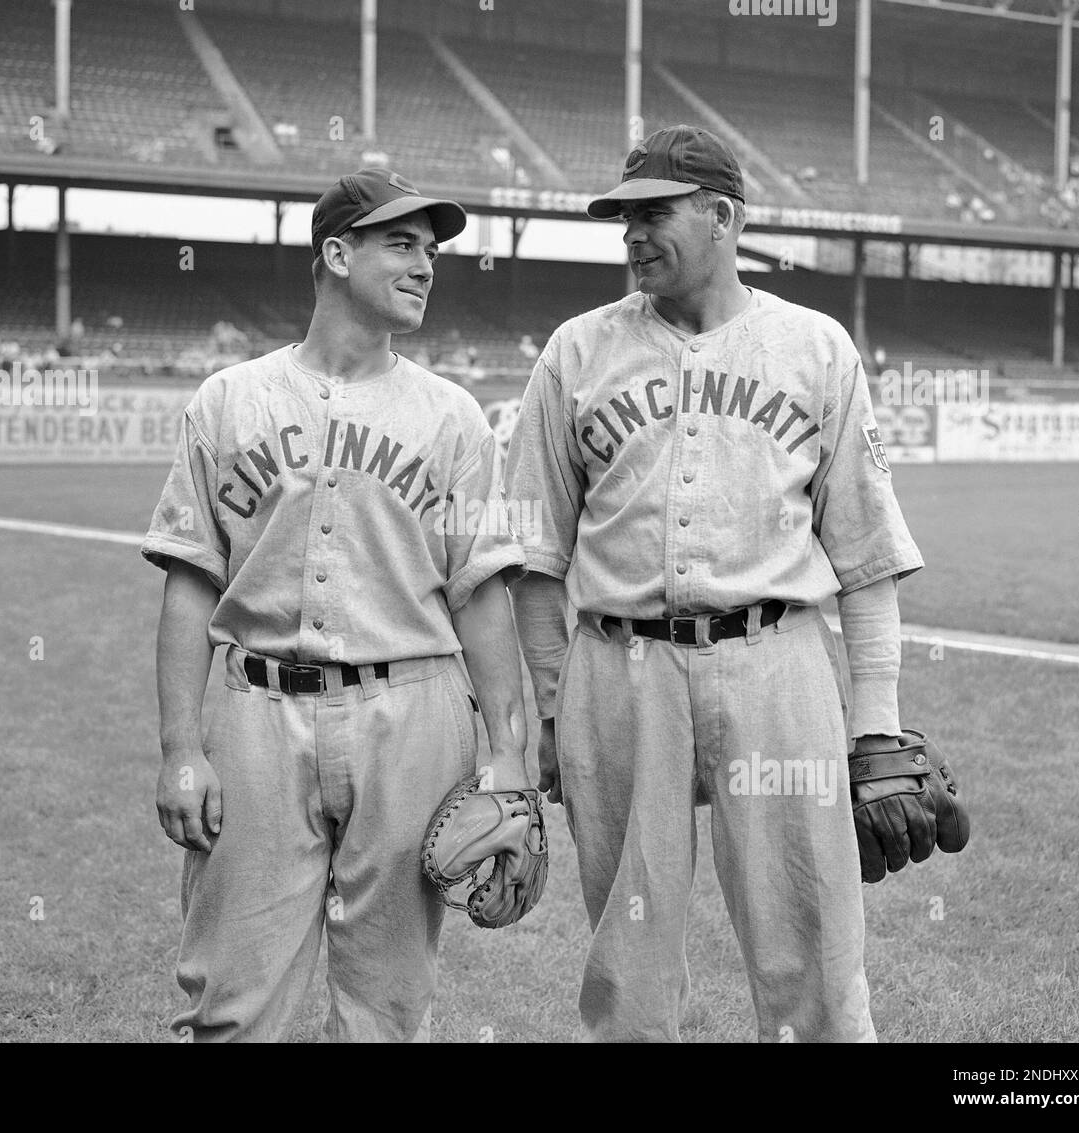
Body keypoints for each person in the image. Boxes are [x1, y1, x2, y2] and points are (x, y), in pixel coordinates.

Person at [505, 125, 924, 1043]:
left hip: (779, 666)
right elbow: (533, 558)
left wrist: (876, 723)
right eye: (625, 218)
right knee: (628, 962)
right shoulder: (575, 353)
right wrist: (547, 705)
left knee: (813, 942)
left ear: (723, 216)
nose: (632, 236)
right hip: (618, 674)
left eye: (654, 214)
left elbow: (867, 557)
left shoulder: (814, 348)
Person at [142, 168, 529, 1043]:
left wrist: (510, 757)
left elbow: (482, 598)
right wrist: (179, 749)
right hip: (255, 717)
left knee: (389, 1008)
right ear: (336, 251)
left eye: (432, 250)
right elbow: (191, 581)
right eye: (403, 243)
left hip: (415, 716)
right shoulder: (229, 400)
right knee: (231, 1003)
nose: (427, 264)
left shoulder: (455, 418)